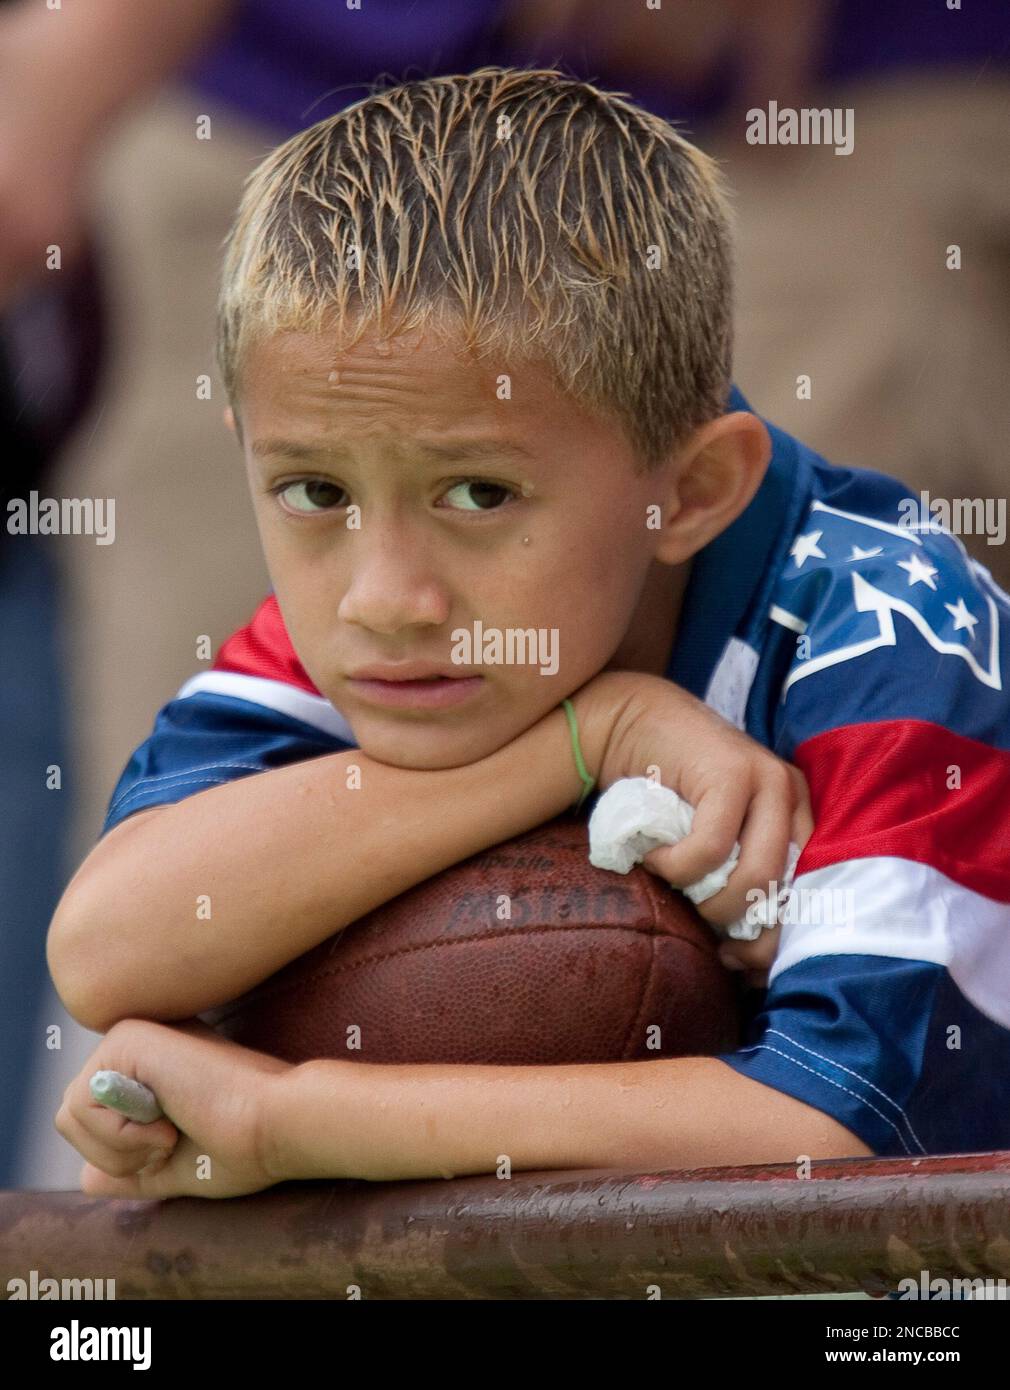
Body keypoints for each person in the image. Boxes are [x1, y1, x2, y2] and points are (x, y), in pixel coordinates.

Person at [48, 69, 1010, 1198]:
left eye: (481, 496)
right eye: (310, 491)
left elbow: (843, 1130)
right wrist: (591, 731)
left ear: (693, 489)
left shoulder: (888, 630)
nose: (384, 595)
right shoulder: (364, 620)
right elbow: (107, 948)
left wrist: (288, 1118)